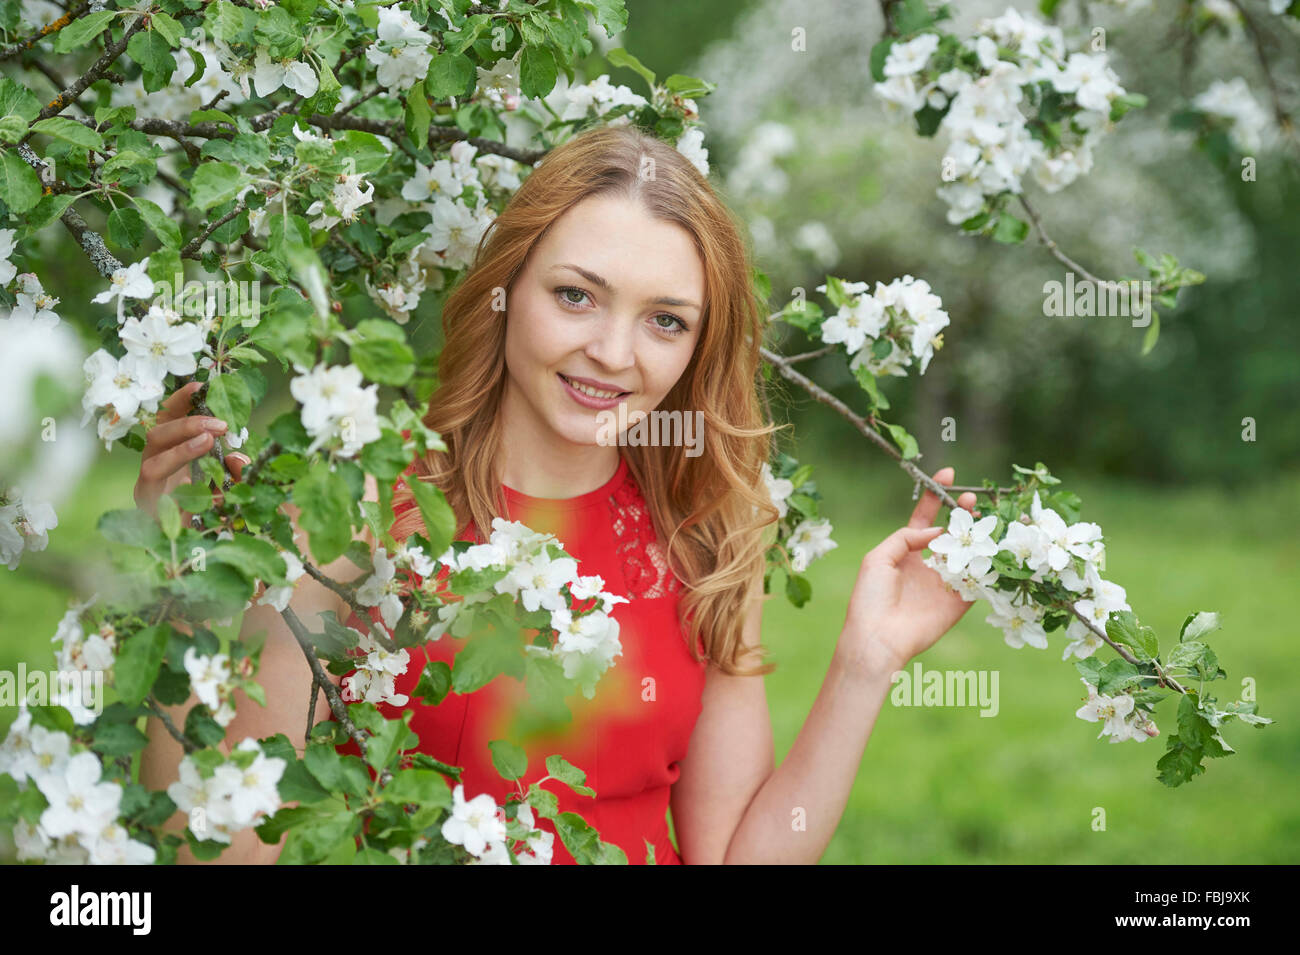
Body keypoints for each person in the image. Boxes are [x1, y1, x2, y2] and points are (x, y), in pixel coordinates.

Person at [135, 123, 980, 864]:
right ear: (506, 291)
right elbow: (223, 851)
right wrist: (188, 596)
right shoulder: (354, 510)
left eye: (665, 320)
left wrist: (865, 666)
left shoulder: (704, 532)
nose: (614, 352)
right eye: (576, 296)